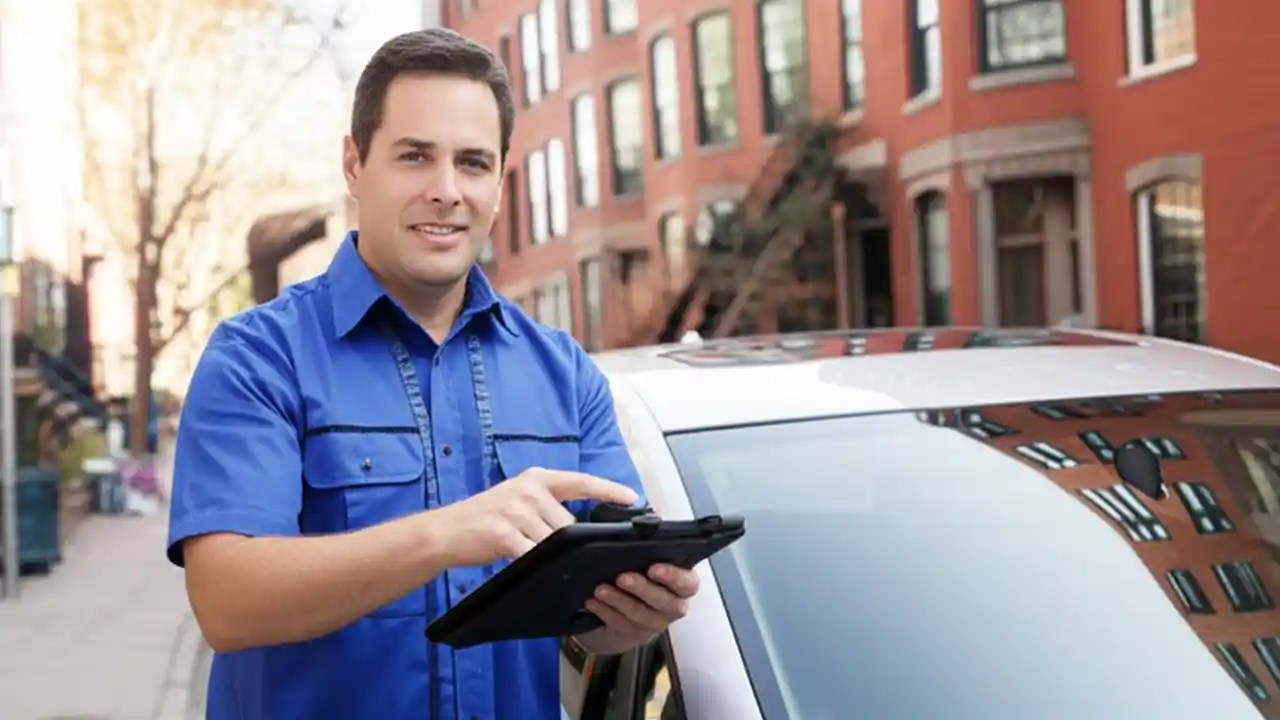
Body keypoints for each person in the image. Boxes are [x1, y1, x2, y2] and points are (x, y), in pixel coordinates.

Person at [166, 27, 701, 720]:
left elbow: (592, 612)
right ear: (354, 166)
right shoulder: (258, 359)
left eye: (474, 163)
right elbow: (227, 604)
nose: (447, 191)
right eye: (416, 157)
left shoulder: (565, 373)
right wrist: (446, 534)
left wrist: (635, 615)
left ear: (500, 184)